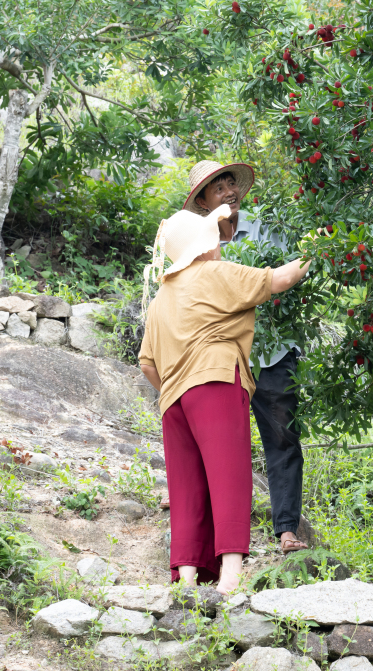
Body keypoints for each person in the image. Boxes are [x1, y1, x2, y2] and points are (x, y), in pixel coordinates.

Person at [138, 204, 311, 593]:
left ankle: (186, 578)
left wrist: (176, 383)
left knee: (187, 487)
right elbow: (280, 279)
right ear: (203, 246)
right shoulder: (214, 273)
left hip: (173, 401)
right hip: (215, 380)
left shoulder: (161, 297)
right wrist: (322, 247)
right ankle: (230, 577)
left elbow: (147, 364)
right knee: (229, 475)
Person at [183, 160, 312, 553]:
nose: (228, 191)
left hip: (272, 354)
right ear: (203, 202)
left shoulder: (266, 224)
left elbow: (298, 266)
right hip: (220, 356)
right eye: (216, 188)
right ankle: (208, 532)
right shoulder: (196, 243)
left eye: (229, 184)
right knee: (218, 442)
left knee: (282, 439)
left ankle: (287, 529)